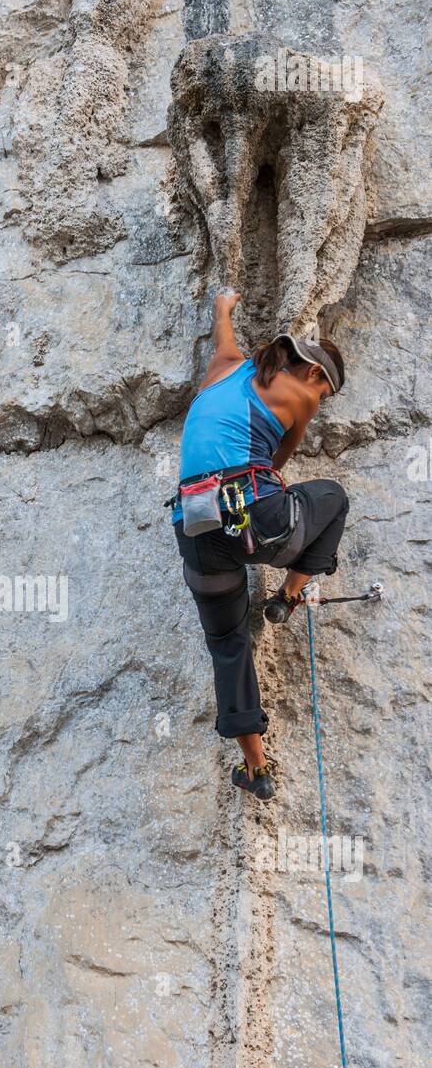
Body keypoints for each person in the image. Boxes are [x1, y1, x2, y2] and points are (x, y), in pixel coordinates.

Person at [172, 291, 349, 801]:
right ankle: (288, 596)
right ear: (316, 375)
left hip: (195, 530)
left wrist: (225, 307)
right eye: (327, 391)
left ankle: (255, 768)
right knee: (334, 498)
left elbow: (224, 337)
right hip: (257, 520)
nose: (321, 400)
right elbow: (278, 460)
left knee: (228, 646)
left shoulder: (222, 370)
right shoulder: (305, 393)